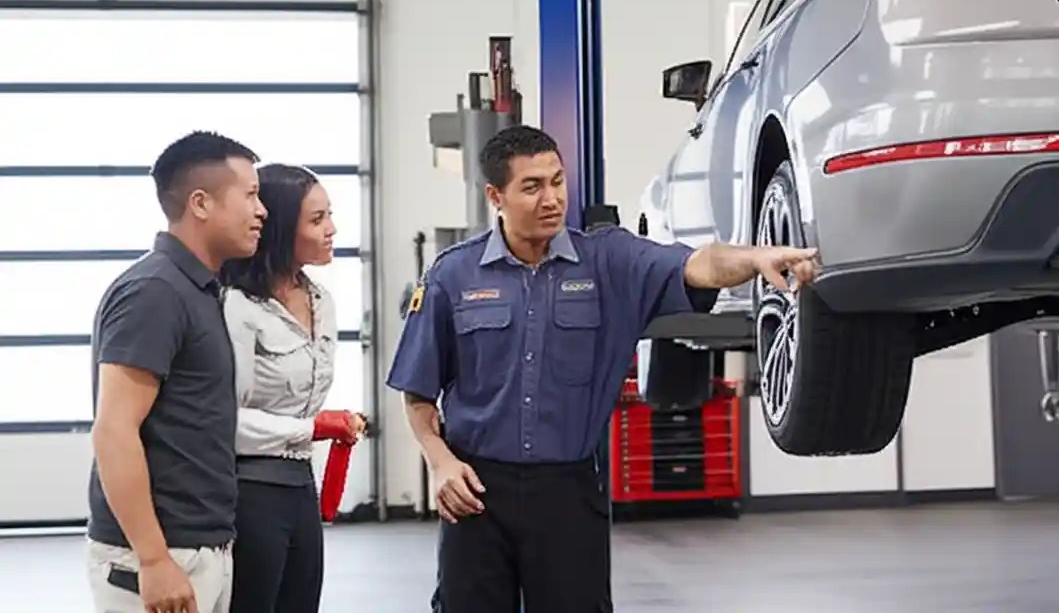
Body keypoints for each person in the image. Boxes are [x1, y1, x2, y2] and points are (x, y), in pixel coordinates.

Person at [385, 125, 818, 613]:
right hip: (477, 491)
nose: (552, 199)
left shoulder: (608, 262)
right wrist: (440, 461)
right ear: (496, 196)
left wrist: (757, 256)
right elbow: (417, 389)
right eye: (532, 187)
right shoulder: (451, 276)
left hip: (568, 493)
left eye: (557, 181)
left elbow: (699, 263)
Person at [87, 131, 265, 613]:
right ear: (201, 203)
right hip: (161, 553)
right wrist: (152, 558)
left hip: (200, 547)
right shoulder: (155, 292)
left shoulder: (200, 290)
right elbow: (113, 430)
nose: (262, 210)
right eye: (250, 194)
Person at [218, 164, 367, 613]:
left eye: (330, 216)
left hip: (300, 485)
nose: (332, 229)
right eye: (317, 219)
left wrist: (322, 427)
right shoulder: (239, 307)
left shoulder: (322, 300)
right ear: (282, 228)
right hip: (251, 490)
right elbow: (226, 420)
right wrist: (312, 427)